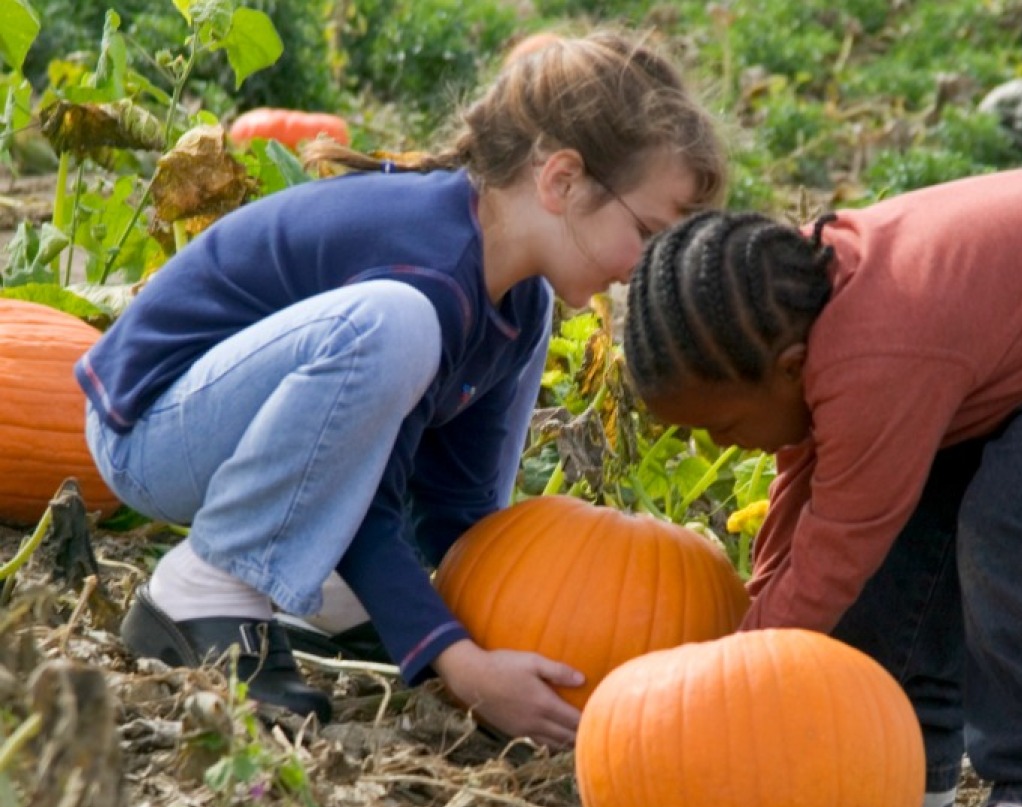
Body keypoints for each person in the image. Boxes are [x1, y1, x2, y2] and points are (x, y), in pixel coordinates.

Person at [78, 30, 726, 749]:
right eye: (650, 232)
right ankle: (205, 588)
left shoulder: (522, 303)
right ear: (562, 181)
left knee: (403, 358)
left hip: (233, 439)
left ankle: (306, 587)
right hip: (154, 427)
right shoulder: (432, 272)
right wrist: (461, 666)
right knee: (397, 323)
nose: (649, 266)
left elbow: (459, 507)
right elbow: (370, 504)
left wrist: (489, 622)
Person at [620, 163, 1022, 807]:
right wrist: (754, 613)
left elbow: (836, 547)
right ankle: (903, 760)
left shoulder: (876, 354)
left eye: (724, 425)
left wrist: (725, 693)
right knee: (923, 492)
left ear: (789, 367)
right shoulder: (782, 312)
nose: (727, 446)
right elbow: (804, 487)